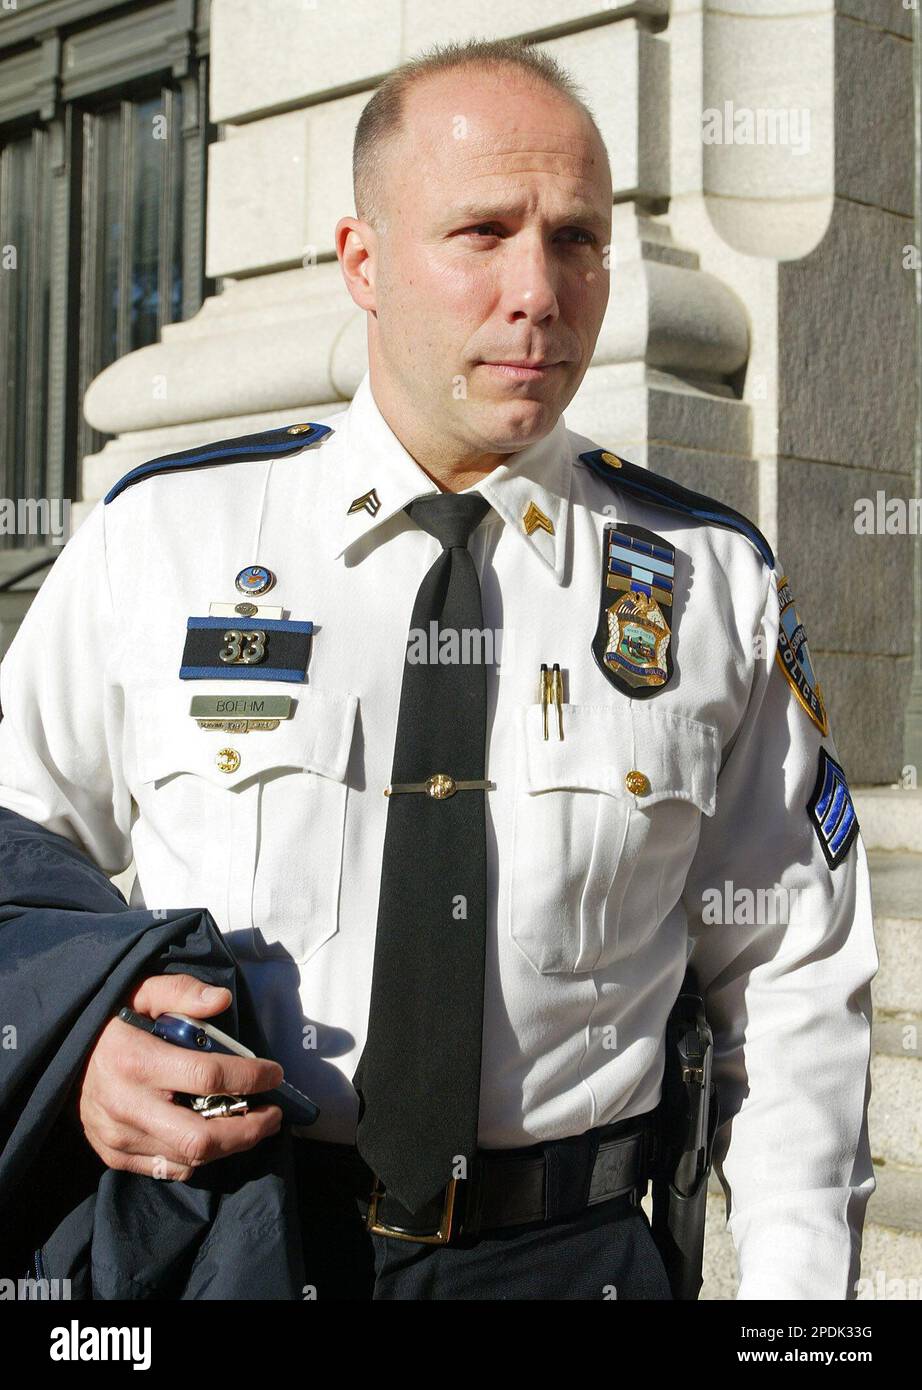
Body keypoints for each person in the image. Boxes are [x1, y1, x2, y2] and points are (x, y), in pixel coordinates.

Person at [0, 37, 877, 1301]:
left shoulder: (706, 583)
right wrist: (76, 1048)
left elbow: (791, 975)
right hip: (235, 1249)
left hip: (567, 1264)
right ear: (363, 260)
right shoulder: (167, 539)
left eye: (575, 238)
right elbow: (14, 852)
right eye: (481, 231)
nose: (537, 289)